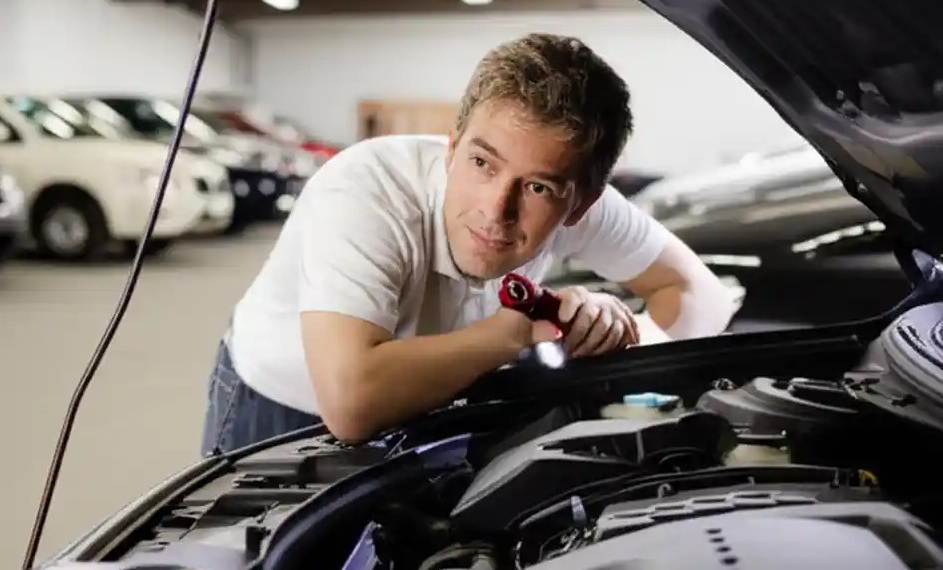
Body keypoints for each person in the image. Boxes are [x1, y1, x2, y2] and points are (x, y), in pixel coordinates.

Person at [200, 34, 737, 457]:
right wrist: (516, 334)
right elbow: (351, 402)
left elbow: (697, 294)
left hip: (433, 398)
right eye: (482, 163)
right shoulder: (365, 189)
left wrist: (615, 340)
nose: (495, 209)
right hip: (279, 405)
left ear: (582, 203)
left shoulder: (585, 202)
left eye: (537, 188)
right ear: (453, 150)